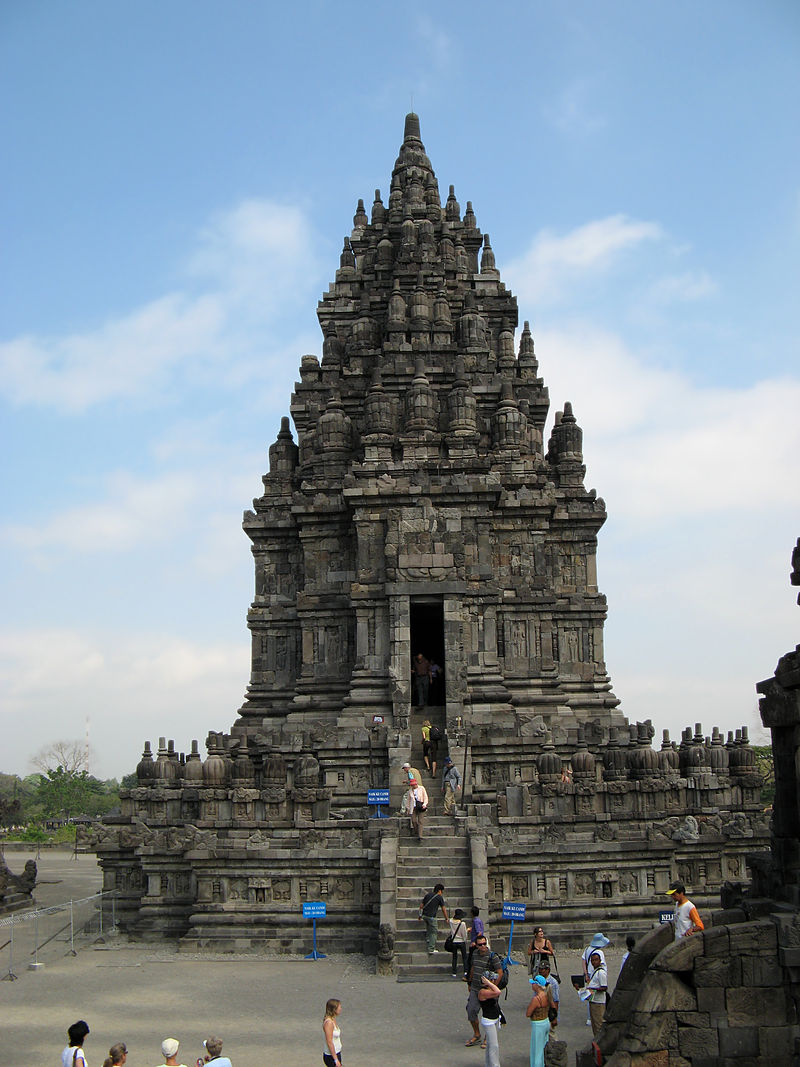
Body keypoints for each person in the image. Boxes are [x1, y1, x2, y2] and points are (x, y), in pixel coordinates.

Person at [465, 934, 505, 1046]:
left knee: (489, 1014)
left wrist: (492, 987)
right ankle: (477, 1034)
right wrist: (470, 982)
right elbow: (473, 968)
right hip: (475, 987)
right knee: (471, 1010)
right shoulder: (474, 954)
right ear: (476, 946)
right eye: (480, 944)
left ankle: (488, 1037)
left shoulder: (493, 956)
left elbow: (500, 973)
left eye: (484, 943)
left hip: (488, 990)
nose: (483, 946)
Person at [525, 974, 554, 1067]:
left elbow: (528, 1013)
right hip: (546, 1021)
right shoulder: (548, 995)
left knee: (537, 1051)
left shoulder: (536, 999)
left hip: (538, 1024)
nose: (532, 985)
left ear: (537, 985)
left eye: (533, 983)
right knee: (543, 1048)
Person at [581, 933, 609, 1026]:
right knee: (595, 998)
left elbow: (583, 961)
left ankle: (589, 1018)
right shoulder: (600, 953)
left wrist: (586, 974)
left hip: (590, 975)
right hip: (597, 975)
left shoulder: (587, 949)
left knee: (589, 996)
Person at [478, 971, 503, 1065]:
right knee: (494, 1046)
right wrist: (488, 983)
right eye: (492, 979)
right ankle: (495, 1065)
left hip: (494, 1019)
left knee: (490, 1045)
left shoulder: (490, 990)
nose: (494, 981)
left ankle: (488, 1064)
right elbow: (498, 992)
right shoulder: (483, 992)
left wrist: (489, 984)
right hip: (489, 1021)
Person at [419, 882, 448, 954]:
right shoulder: (439, 897)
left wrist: (420, 915)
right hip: (431, 917)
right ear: (439, 890)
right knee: (434, 932)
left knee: (428, 927)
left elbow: (421, 906)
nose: (442, 893)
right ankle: (431, 948)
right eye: (442, 891)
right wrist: (446, 918)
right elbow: (443, 909)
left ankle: (428, 939)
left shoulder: (427, 895)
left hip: (424, 916)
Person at [586, 951, 608, 1036]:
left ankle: (600, 1041)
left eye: (596, 960)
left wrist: (593, 989)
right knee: (594, 1024)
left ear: (600, 960)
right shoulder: (595, 971)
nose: (594, 962)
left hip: (599, 1002)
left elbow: (604, 987)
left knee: (599, 1024)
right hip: (593, 1000)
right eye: (592, 960)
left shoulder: (601, 973)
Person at [322, 998, 343, 1067]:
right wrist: (336, 1060)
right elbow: (329, 1042)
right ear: (334, 1009)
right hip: (331, 1056)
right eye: (339, 1007)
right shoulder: (329, 1023)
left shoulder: (333, 1019)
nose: (340, 1009)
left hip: (337, 1052)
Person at [537, 960, 559, 1025]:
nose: (540, 971)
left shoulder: (553, 983)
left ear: (548, 970)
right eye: (539, 969)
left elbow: (555, 1000)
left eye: (542, 969)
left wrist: (554, 1017)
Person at [448, 907, 469, 977]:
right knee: (464, 957)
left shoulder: (451, 921)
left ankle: (454, 972)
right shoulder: (462, 924)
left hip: (454, 941)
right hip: (461, 941)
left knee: (454, 957)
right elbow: (464, 934)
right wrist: (465, 939)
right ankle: (465, 970)